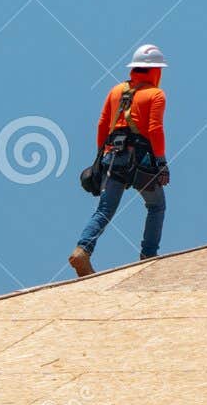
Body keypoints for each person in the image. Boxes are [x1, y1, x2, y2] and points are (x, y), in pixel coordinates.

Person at [68, 45, 170, 277]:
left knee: (105, 209)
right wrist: (161, 162)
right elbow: (155, 129)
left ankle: (82, 250)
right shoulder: (155, 95)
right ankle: (148, 257)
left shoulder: (116, 91)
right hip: (141, 161)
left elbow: (102, 125)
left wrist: (99, 159)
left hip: (111, 157)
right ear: (155, 70)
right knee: (156, 206)